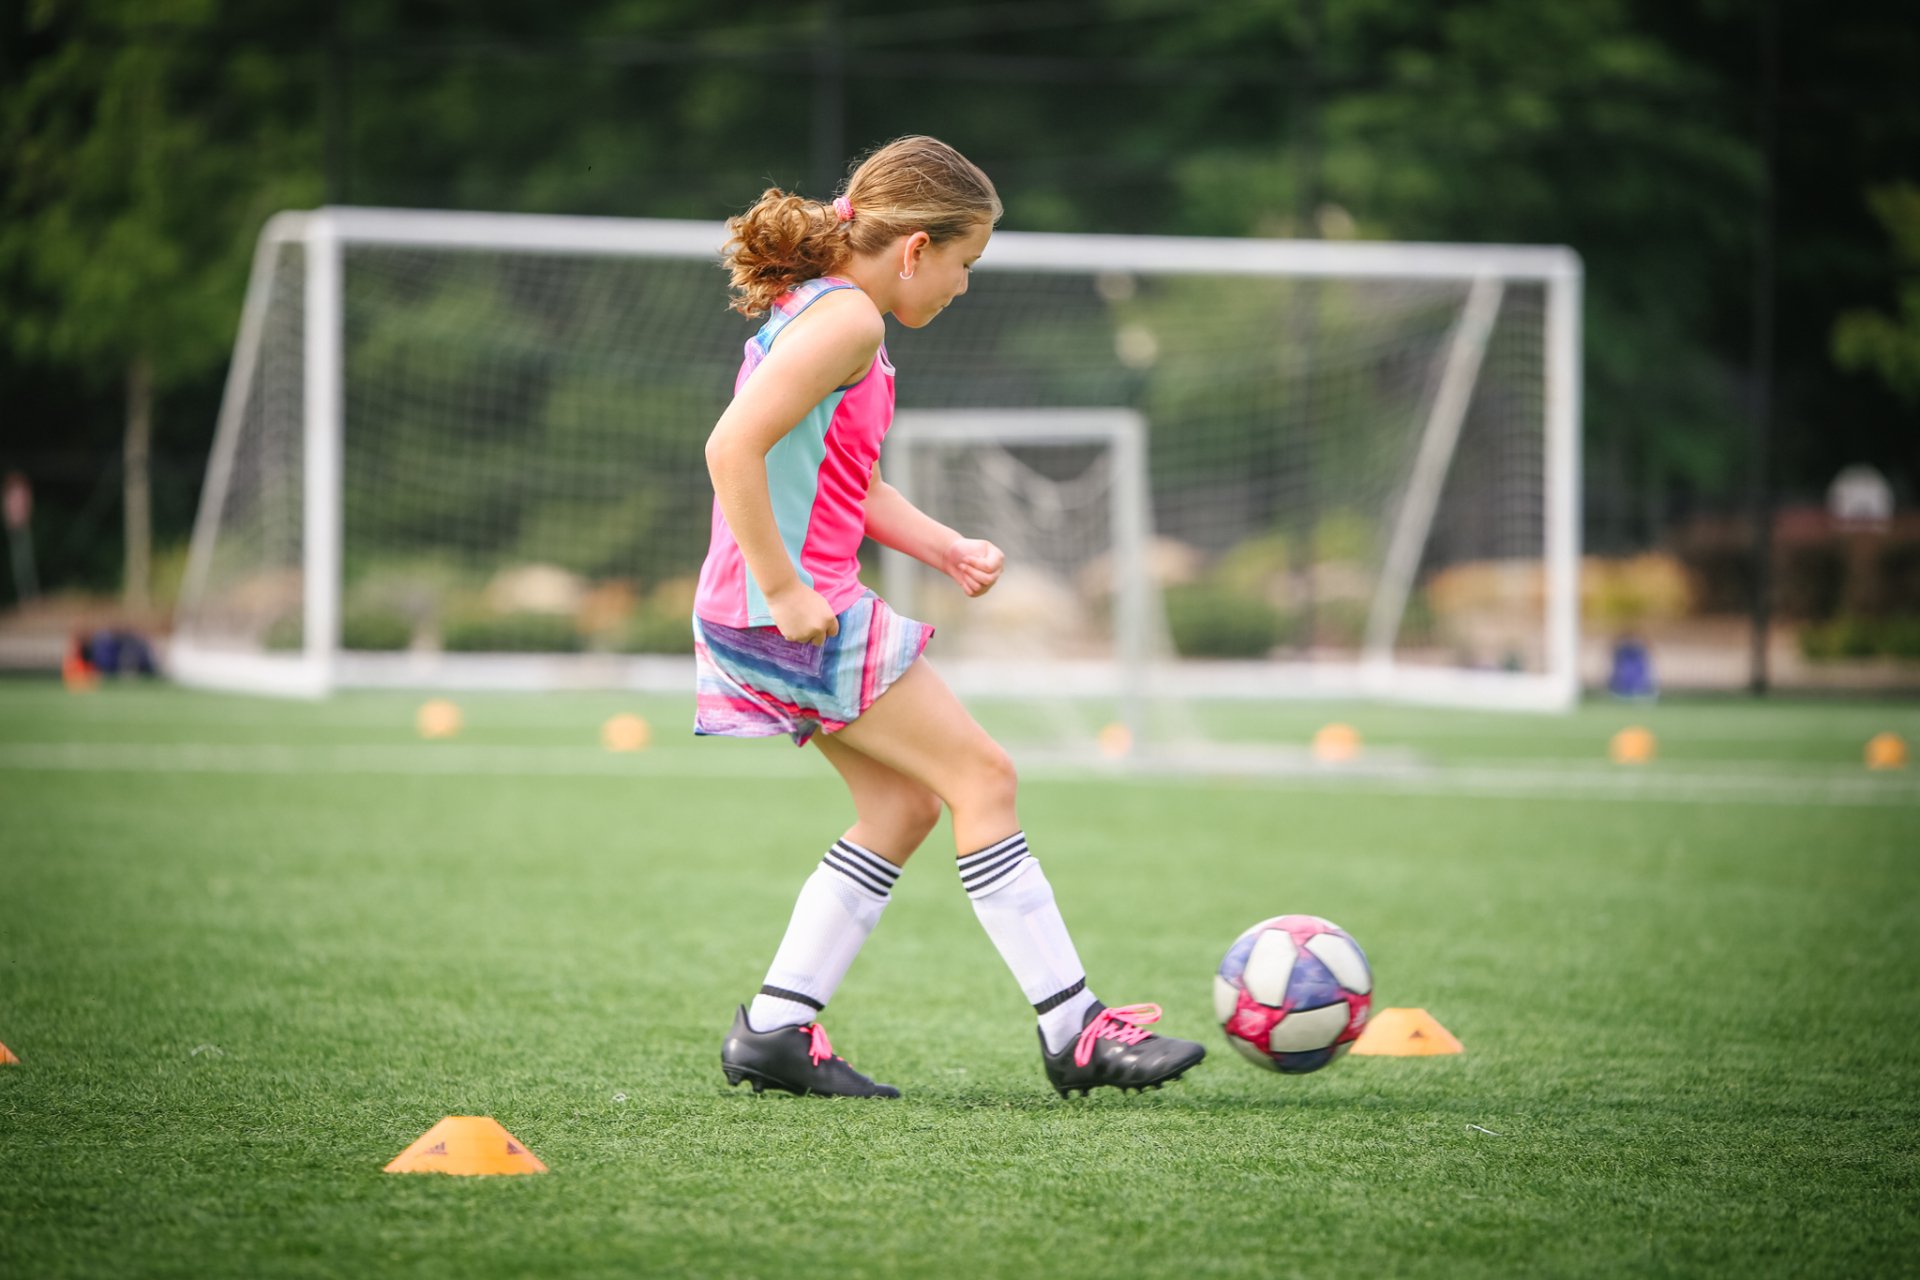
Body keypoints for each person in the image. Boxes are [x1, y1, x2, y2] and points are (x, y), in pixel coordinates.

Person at [694, 135, 1205, 1100]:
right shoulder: (848, 322)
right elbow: (731, 449)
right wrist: (787, 587)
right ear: (916, 248)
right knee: (985, 777)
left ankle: (774, 1028)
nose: (965, 286)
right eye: (966, 264)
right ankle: (1077, 1032)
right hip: (792, 611)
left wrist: (944, 546)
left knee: (903, 804)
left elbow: (852, 479)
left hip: (759, 612)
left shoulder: (825, 310)